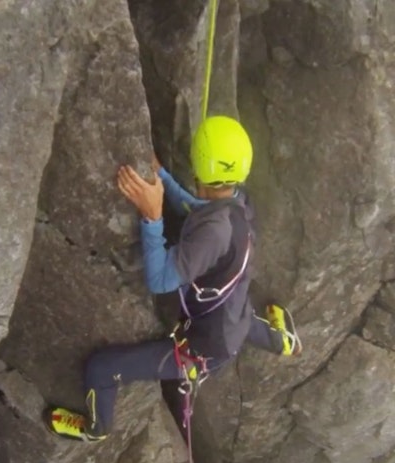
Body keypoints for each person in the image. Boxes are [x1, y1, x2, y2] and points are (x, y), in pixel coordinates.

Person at [49, 116, 301, 441]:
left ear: (199, 166)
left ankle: (95, 429)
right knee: (238, 323)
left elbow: (161, 280)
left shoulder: (214, 232)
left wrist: (151, 217)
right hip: (231, 318)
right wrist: (162, 178)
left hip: (203, 348)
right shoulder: (236, 203)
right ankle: (284, 342)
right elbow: (197, 209)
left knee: (101, 368)